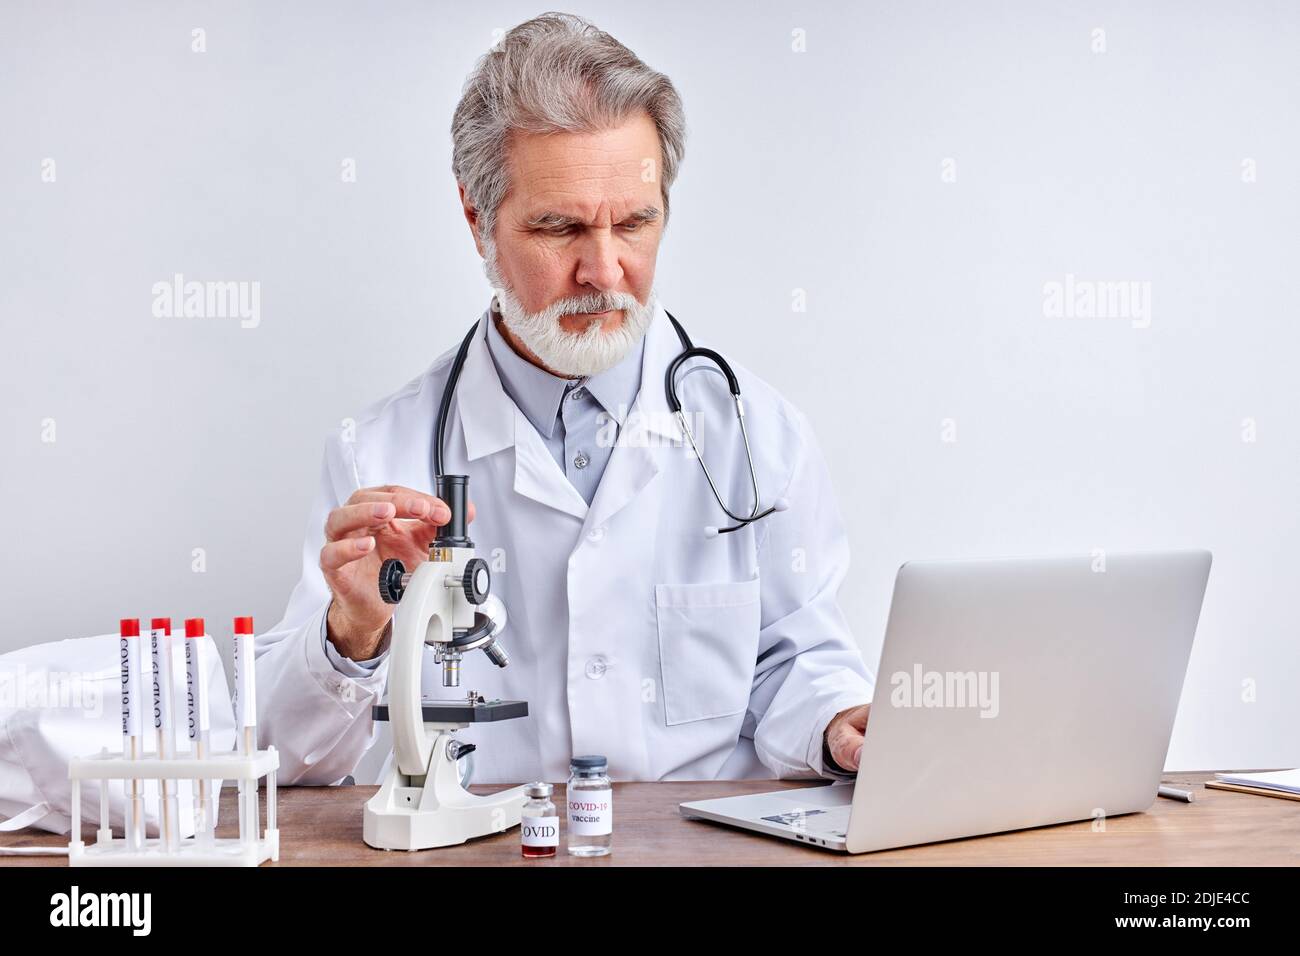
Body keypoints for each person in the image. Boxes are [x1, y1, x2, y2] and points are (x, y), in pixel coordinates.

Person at [256, 12, 874, 786]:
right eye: (561, 229)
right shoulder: (379, 453)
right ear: (477, 218)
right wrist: (353, 629)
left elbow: (800, 661)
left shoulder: (758, 434)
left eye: (636, 223)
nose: (606, 271)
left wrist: (840, 723)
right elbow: (284, 757)